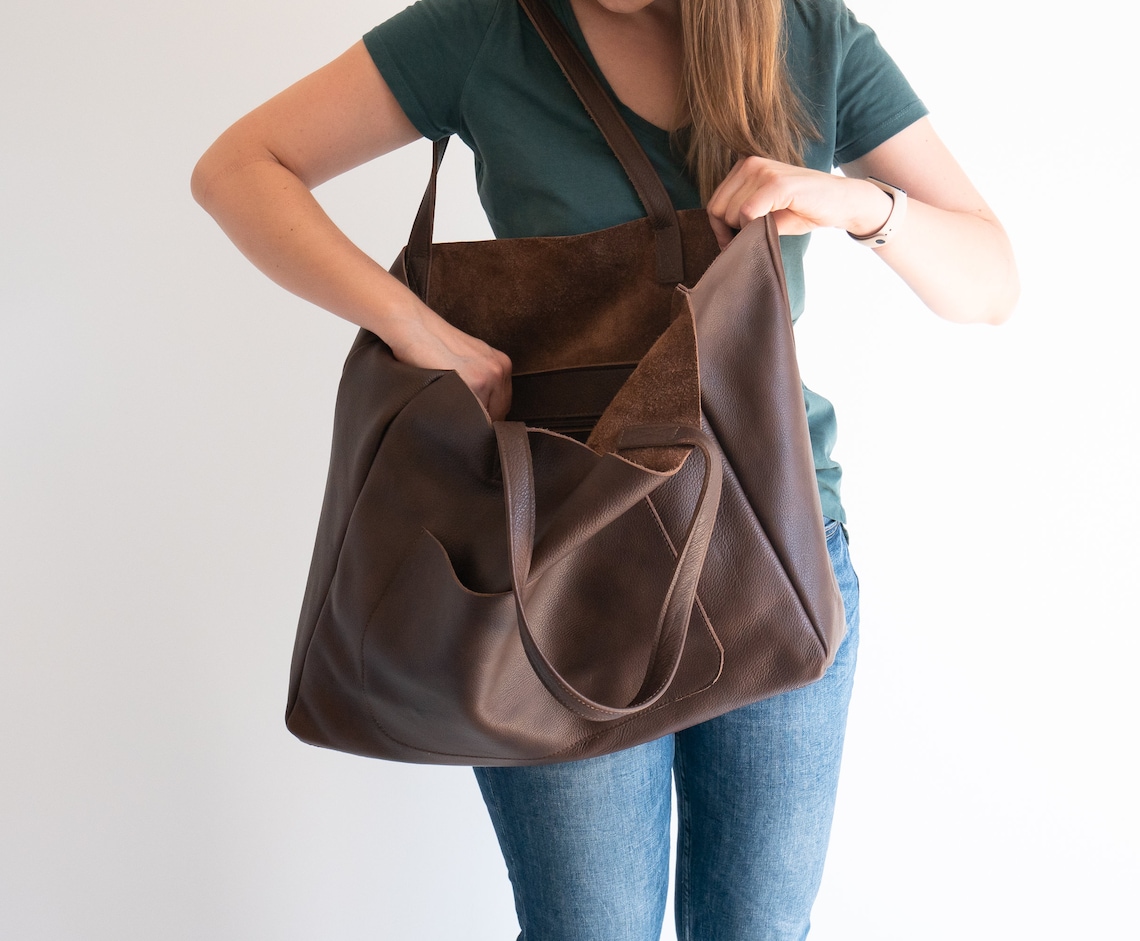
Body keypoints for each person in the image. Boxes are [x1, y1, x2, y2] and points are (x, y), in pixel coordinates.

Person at [192, 0, 1018, 936]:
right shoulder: (484, 28)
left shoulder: (806, 32)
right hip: (561, 571)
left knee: (761, 927)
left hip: (776, 554)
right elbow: (237, 170)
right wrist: (413, 325)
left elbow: (990, 282)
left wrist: (861, 205)